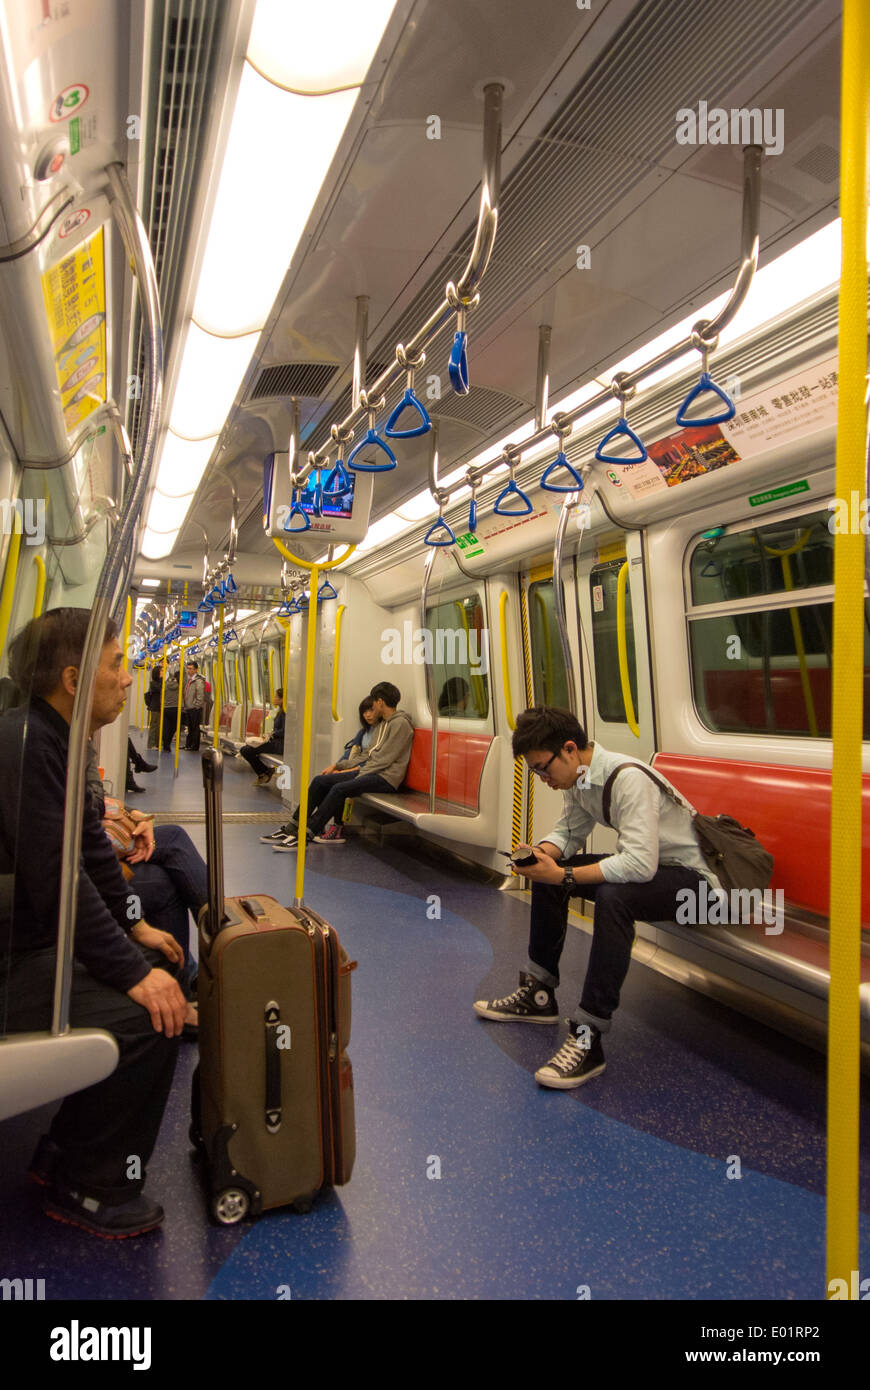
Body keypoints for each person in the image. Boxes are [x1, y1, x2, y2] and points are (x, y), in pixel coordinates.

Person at [0, 608, 188, 1237]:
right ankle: (90, 1184)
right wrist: (134, 977)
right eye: (117, 665)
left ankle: (63, 1151)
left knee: (162, 975)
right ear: (75, 679)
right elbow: (60, 882)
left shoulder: (56, 737)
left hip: (26, 945)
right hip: (12, 963)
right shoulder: (26, 744)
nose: (128, 679)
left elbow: (87, 848)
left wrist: (136, 928)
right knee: (150, 1016)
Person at [474, 706, 721, 1091]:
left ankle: (588, 1036)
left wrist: (564, 873)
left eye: (543, 769)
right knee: (549, 876)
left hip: (699, 884)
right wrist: (542, 855)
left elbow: (639, 865)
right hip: (660, 871)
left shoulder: (627, 779)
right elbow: (568, 835)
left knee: (614, 897)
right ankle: (539, 994)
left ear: (570, 750)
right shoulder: (580, 781)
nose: (542, 780)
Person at [268, 682, 412, 849]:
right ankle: (293, 826)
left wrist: (358, 773)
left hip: (386, 778)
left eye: (373, 702)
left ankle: (306, 834)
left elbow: (384, 760)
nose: (372, 706)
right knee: (320, 781)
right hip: (372, 772)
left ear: (380, 702)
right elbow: (368, 755)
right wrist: (339, 766)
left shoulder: (400, 724)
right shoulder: (383, 724)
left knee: (339, 788)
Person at [239, 688, 285, 784]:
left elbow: (285, 731)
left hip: (279, 744)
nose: (273, 698)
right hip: (275, 741)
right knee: (245, 749)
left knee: (246, 750)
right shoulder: (280, 711)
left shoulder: (284, 713)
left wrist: (271, 734)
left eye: (276, 696)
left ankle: (264, 772)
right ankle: (265, 771)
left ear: (282, 699)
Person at [183, 660, 206, 751]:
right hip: (189, 707)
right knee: (190, 728)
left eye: (191, 669)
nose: (189, 671)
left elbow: (200, 694)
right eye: (187, 669)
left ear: (196, 670)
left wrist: (196, 705)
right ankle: (188, 744)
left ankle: (194, 746)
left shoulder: (198, 681)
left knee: (195, 728)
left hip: (194, 708)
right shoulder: (190, 680)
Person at [161, 667, 182, 752]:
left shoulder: (166, 684)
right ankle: (167, 743)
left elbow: (163, 695)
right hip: (175, 708)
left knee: (166, 727)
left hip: (166, 708)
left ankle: (165, 744)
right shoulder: (179, 686)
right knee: (173, 727)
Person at [145, 667, 162, 749]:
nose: (163, 672)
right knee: (154, 726)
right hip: (155, 706)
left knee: (158, 726)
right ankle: (151, 744)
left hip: (159, 706)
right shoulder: (154, 683)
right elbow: (160, 689)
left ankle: (157, 743)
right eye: (161, 671)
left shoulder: (160, 682)